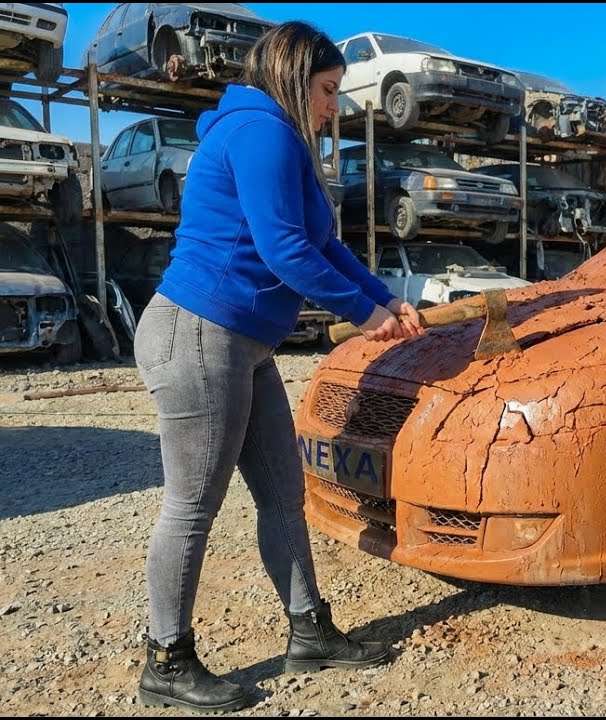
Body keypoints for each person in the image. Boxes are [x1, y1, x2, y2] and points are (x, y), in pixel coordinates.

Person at [132, 21, 424, 713]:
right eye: (327, 89)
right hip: (199, 334)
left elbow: (325, 245)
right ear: (296, 78)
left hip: (242, 342)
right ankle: (165, 661)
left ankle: (309, 632)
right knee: (193, 505)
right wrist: (367, 315)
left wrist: (388, 299)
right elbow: (286, 250)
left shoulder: (278, 136)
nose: (334, 106)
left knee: (281, 493)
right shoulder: (261, 131)